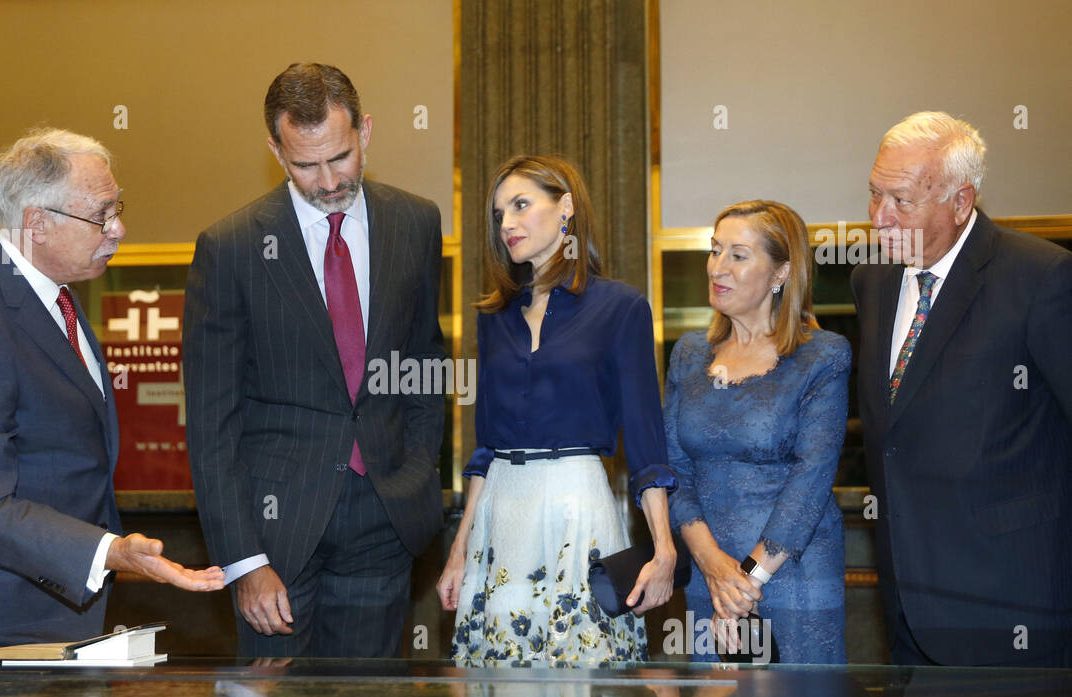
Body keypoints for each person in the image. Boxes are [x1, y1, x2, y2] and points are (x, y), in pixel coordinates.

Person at [0, 128, 224, 648]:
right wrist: (108, 552)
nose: (119, 228)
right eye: (101, 214)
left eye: (117, 207)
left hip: (42, 614)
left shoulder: (51, 293)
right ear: (36, 223)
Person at [184, 63, 446, 658]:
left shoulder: (415, 222)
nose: (328, 181)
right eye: (305, 164)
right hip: (273, 531)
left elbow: (426, 362)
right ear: (275, 151)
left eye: (341, 157)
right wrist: (243, 561)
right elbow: (210, 420)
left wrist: (416, 469)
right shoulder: (231, 248)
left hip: (384, 514)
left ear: (366, 131)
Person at [438, 155, 678, 665]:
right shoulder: (494, 317)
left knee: (583, 682)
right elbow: (484, 447)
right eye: (499, 213)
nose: (506, 224)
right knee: (500, 688)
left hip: (578, 504)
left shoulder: (621, 307)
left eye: (521, 205)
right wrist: (458, 550)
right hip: (501, 513)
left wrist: (664, 550)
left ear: (565, 206)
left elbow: (645, 442)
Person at [853, 111, 1072, 667]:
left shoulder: (1041, 278)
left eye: (901, 200)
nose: (880, 219)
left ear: (961, 201)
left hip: (1009, 602)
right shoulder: (872, 280)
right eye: (874, 194)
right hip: (904, 602)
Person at [665, 200, 850, 664]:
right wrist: (711, 564)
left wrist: (746, 581)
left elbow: (811, 480)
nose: (718, 267)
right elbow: (673, 470)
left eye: (738, 255)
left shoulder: (822, 356)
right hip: (711, 580)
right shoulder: (689, 353)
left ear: (781, 274)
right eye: (714, 250)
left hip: (791, 579)